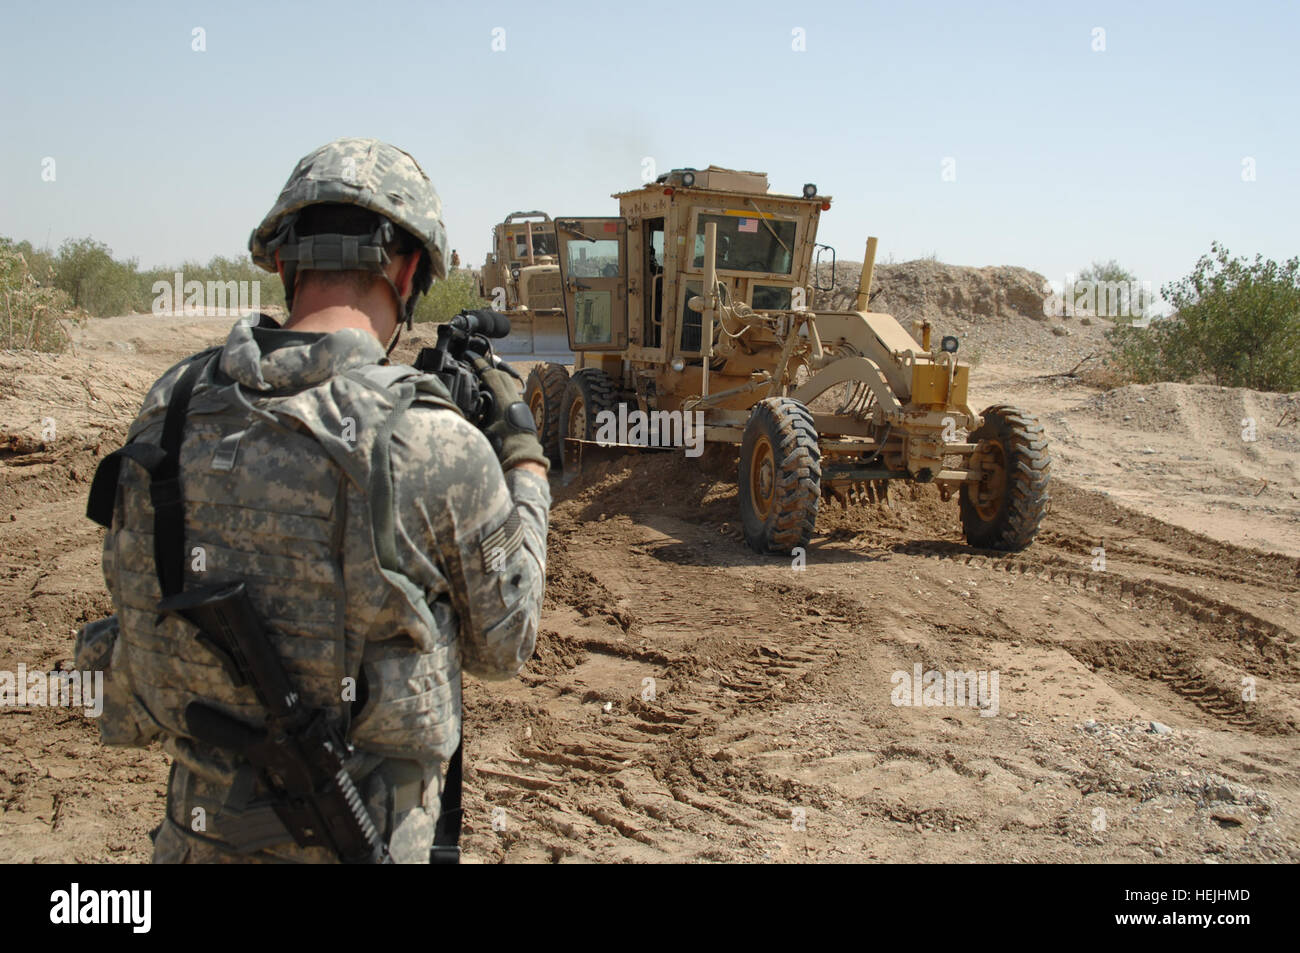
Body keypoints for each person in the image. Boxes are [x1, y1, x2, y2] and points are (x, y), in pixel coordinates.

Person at [75, 137, 550, 863]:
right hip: (364, 838)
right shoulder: (434, 441)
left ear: (285, 261)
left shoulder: (169, 407)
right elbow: (505, 643)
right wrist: (523, 462)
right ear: (410, 266)